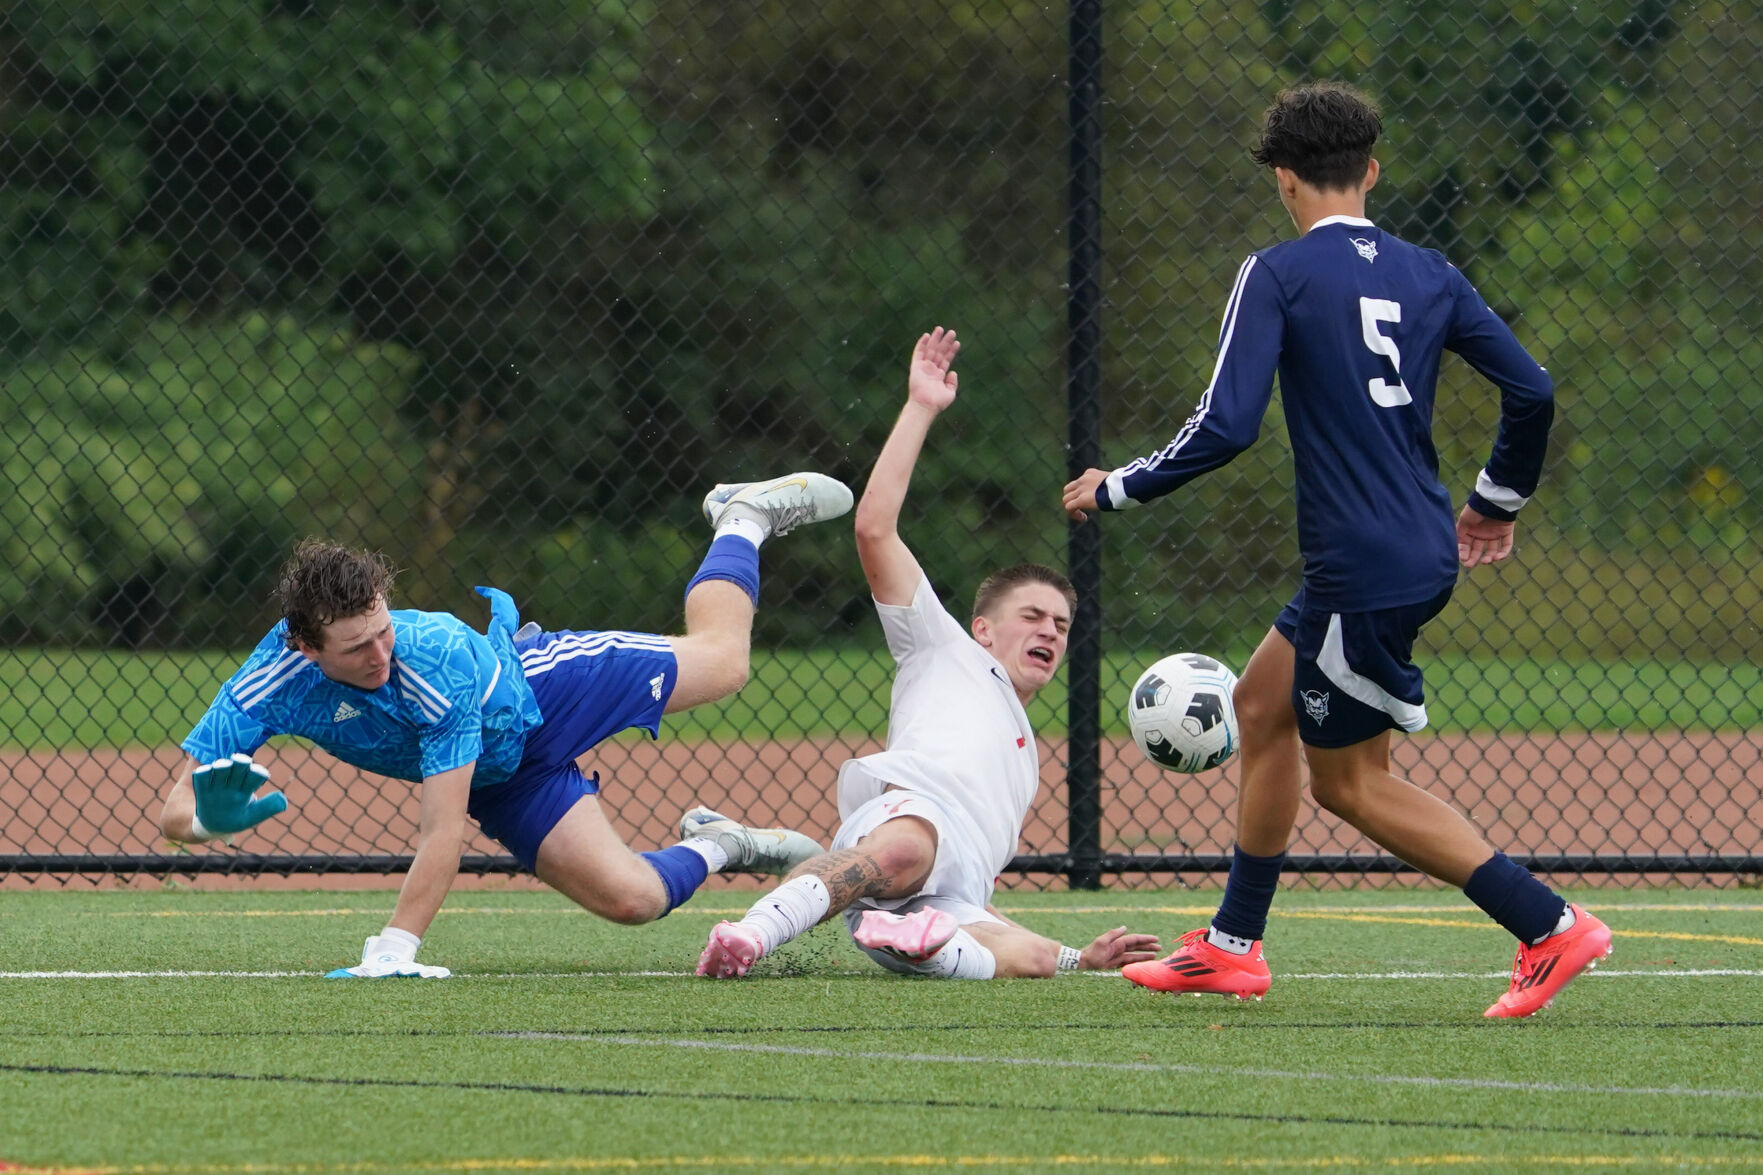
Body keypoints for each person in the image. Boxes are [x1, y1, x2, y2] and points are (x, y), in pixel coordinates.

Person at [1062, 81, 1611, 1019]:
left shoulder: (1275, 274)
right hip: (1401, 548)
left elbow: (1225, 425)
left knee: (1351, 786)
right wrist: (1493, 501)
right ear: (1370, 169)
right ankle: (1232, 946)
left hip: (1360, 563)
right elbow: (1532, 391)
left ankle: (1548, 923)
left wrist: (1119, 484)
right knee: (1259, 703)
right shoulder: (1430, 271)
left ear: (1283, 180)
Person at [158, 473, 851, 978]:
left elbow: (441, 830)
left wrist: (395, 947)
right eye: (355, 648)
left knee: (725, 662)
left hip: (547, 689)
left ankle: (741, 517)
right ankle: (726, 843)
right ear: (306, 647)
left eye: (381, 630)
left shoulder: (432, 659)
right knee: (633, 900)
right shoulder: (268, 679)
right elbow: (177, 809)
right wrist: (206, 825)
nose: (379, 654)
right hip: (504, 775)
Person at [695, 328, 1159, 980]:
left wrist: (1084, 958)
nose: (1050, 631)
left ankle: (917, 937)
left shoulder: (1022, 747)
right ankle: (749, 935)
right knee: (906, 848)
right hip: (909, 825)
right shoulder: (940, 648)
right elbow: (873, 528)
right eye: (1031, 615)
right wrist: (921, 405)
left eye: (1059, 622)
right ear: (982, 629)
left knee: (1031, 960)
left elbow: (1017, 925)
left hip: (960, 887)